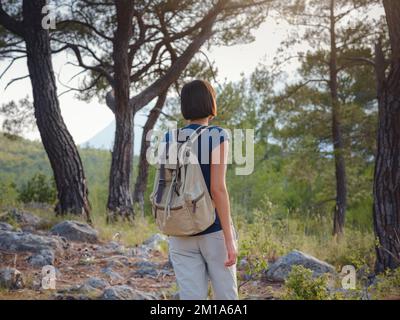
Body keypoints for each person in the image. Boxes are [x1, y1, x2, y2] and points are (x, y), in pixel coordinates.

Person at [166, 79, 238, 300]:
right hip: (213, 229)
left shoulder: (170, 137)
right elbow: (218, 189)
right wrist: (229, 238)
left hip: (179, 231)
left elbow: (167, 187)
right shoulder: (217, 135)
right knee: (226, 299)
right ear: (210, 102)